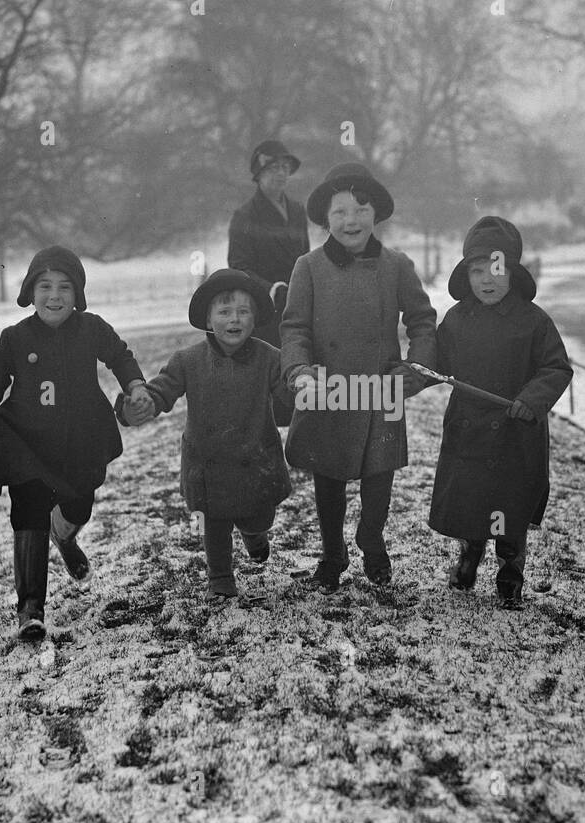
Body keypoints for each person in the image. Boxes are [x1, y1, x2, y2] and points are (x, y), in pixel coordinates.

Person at [0, 246, 146, 639]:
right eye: (45, 286)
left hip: (81, 439)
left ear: (77, 295)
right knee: (29, 509)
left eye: (64, 287)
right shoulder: (15, 337)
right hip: (26, 441)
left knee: (79, 503)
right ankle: (30, 609)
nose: (54, 296)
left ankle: (63, 533)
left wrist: (135, 385)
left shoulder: (92, 328)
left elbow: (120, 356)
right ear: (30, 291)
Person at [281, 161, 437, 591]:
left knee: (378, 475)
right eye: (340, 212)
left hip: (381, 387)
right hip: (328, 389)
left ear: (376, 214)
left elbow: (423, 321)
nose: (351, 221)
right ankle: (333, 554)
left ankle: (372, 540)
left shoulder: (396, 265)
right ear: (326, 220)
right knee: (328, 476)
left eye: (361, 210)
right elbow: (294, 328)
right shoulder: (308, 267)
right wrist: (299, 371)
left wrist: (414, 372)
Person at [427, 217, 573, 608]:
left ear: (511, 273)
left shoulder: (533, 321)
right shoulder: (457, 320)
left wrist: (532, 399)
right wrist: (408, 372)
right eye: (476, 271)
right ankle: (470, 552)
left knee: (509, 504)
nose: (486, 280)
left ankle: (511, 569)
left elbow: (556, 368)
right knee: (472, 499)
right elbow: (435, 362)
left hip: (515, 431)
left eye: (495, 269)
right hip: (468, 429)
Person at [124, 270, 293, 599]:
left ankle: (254, 534)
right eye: (225, 312)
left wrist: (302, 387)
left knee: (259, 516)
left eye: (243, 312)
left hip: (256, 456)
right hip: (208, 460)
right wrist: (145, 402)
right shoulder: (188, 360)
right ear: (207, 319)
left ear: (255, 318)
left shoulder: (269, 357)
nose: (235, 320)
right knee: (215, 520)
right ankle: (220, 578)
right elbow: (163, 391)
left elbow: (286, 390)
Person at [227, 140, 310, 352]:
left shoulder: (298, 210)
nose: (281, 174)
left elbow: (305, 257)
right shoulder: (245, 216)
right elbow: (239, 267)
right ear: (259, 174)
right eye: (273, 168)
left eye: (285, 168)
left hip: (300, 305)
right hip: (266, 311)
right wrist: (272, 290)